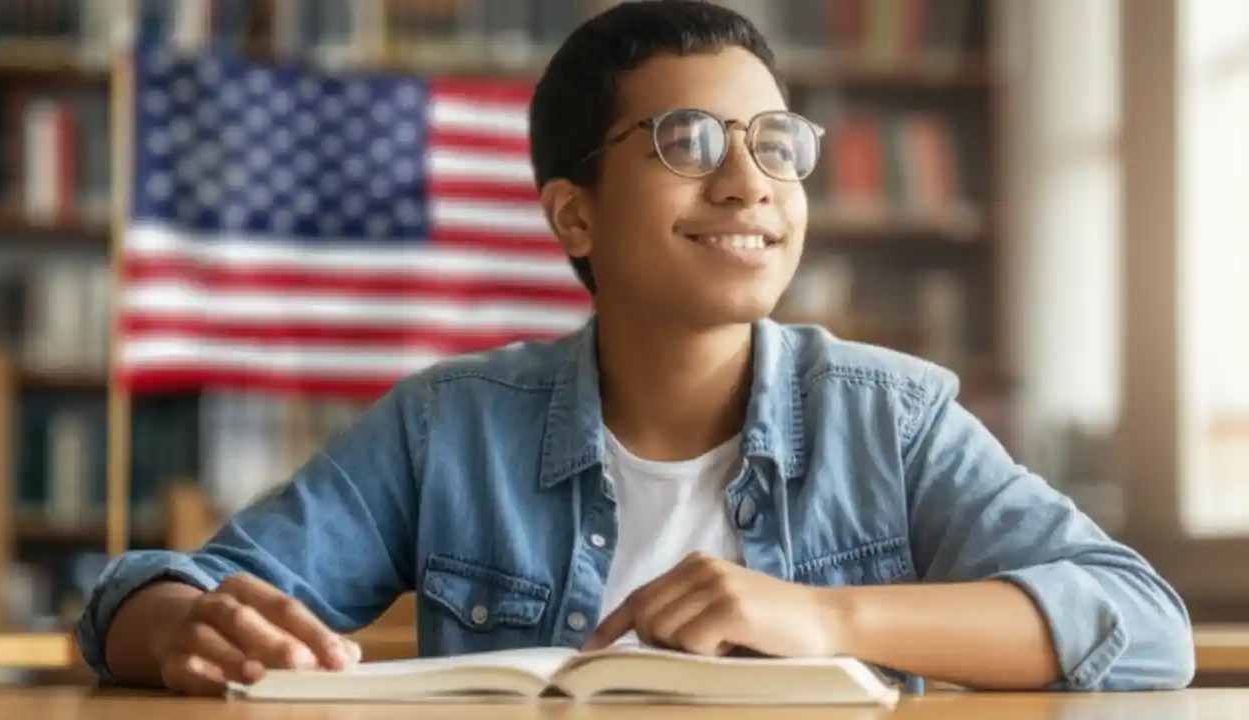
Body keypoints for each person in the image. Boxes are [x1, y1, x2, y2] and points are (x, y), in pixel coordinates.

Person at [78, 0, 1195, 696]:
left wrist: (824, 618)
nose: (748, 180)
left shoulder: (886, 417)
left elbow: (1141, 623)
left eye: (774, 144)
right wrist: (185, 631)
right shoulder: (448, 424)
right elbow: (145, 596)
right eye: (686, 141)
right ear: (573, 216)